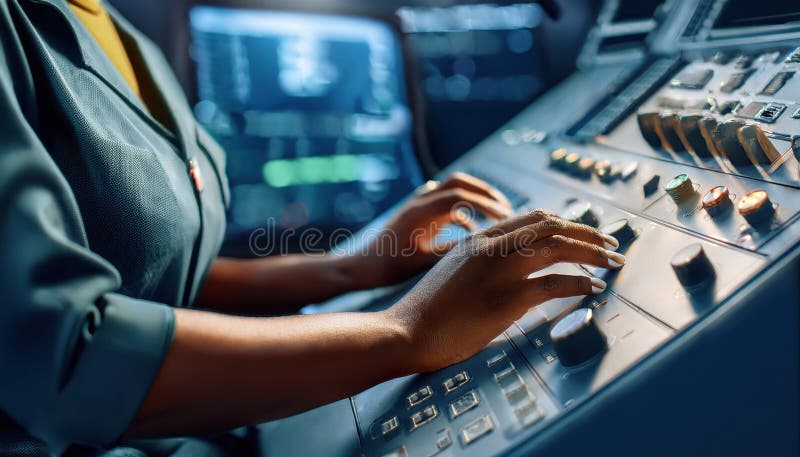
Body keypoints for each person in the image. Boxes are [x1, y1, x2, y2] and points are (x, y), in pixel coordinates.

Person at [0, 0, 625, 455]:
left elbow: (159, 278)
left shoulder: (119, 31)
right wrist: (402, 330)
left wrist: (355, 264)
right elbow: (66, 360)